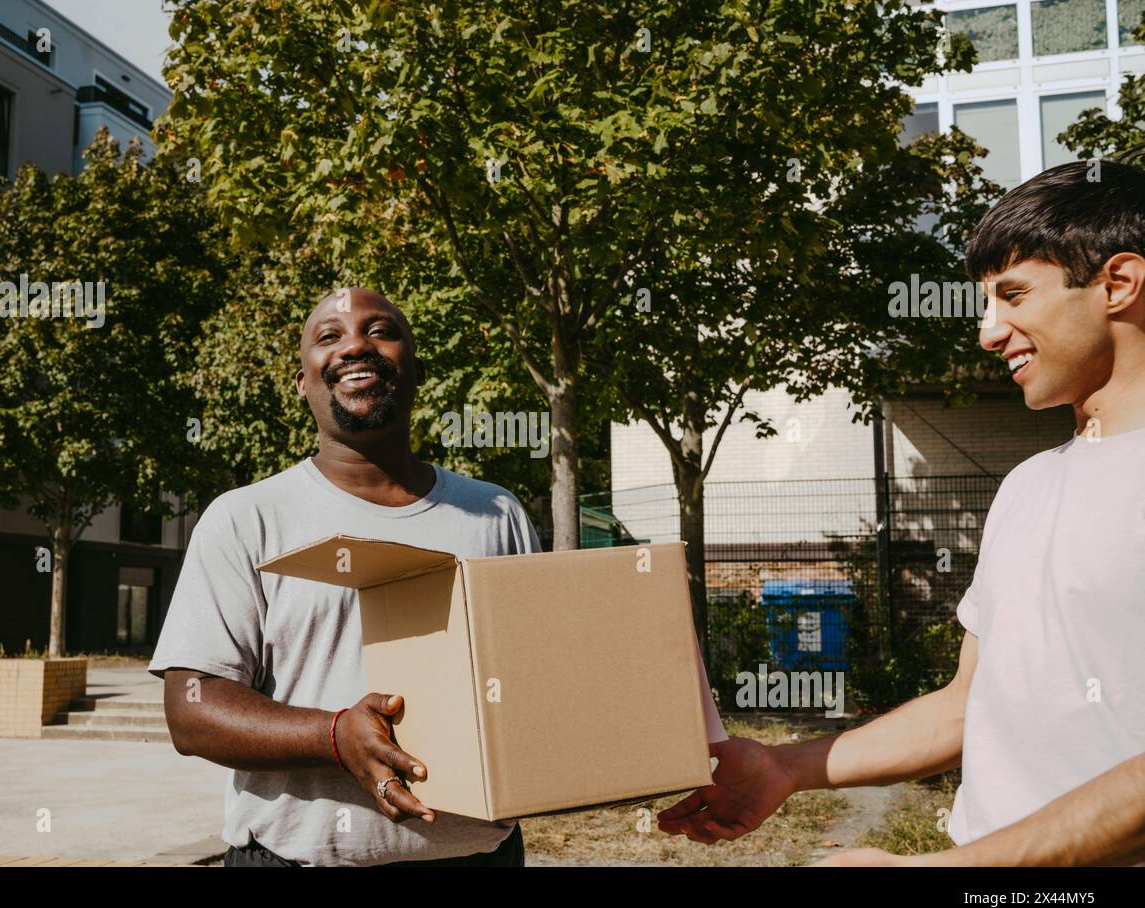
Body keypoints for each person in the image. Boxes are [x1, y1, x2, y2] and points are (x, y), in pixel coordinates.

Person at [659, 159, 1145, 866]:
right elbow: (966, 704)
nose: (987, 331)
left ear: (1118, 284)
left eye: (1013, 295)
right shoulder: (1029, 486)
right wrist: (788, 768)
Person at [149, 287, 544, 866]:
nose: (356, 343)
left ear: (416, 370)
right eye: (329, 336)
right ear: (303, 382)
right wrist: (334, 736)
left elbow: (538, 676)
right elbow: (190, 709)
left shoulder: (496, 513)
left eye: (380, 330)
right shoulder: (245, 518)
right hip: (298, 860)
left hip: (479, 855)